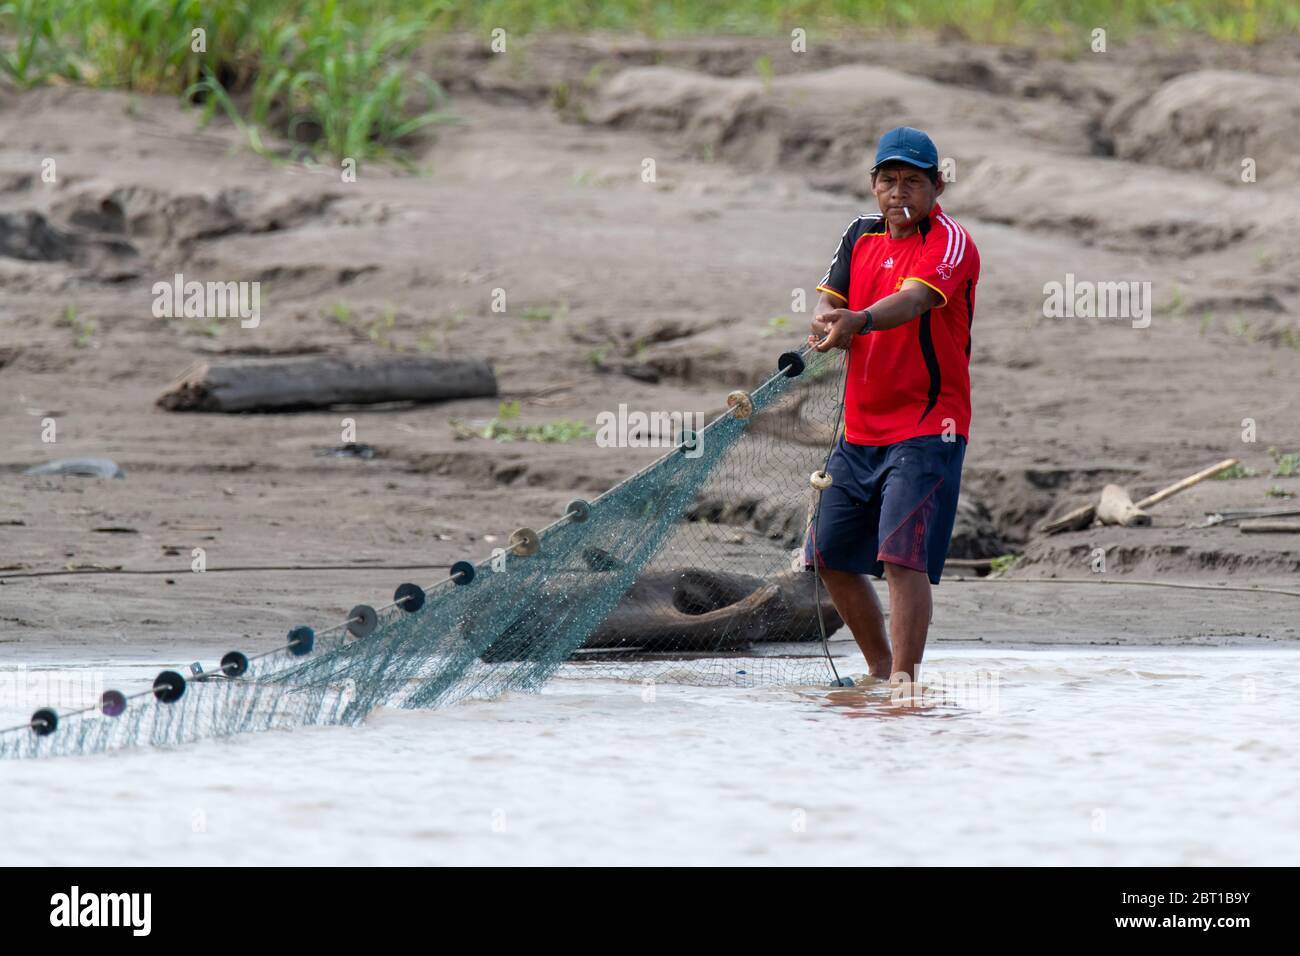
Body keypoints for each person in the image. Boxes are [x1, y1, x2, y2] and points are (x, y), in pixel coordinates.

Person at [805, 126, 980, 685]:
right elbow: (829, 303)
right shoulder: (859, 235)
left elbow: (914, 300)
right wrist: (830, 321)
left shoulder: (950, 242)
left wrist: (860, 320)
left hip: (930, 426)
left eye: (912, 182)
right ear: (873, 186)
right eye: (888, 181)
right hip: (858, 431)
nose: (899, 194)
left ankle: (904, 686)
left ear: (938, 185)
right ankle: (879, 673)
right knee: (827, 556)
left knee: (903, 559)